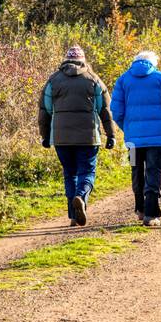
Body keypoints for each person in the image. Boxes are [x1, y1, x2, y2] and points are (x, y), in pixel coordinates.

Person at [38, 45, 115, 227]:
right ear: (83, 60)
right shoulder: (93, 79)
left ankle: (73, 215)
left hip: (61, 138)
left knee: (69, 173)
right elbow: (105, 110)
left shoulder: (53, 80)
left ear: (66, 60)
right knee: (87, 171)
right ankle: (80, 197)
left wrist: (45, 135)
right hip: (88, 137)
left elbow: (45, 111)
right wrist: (111, 135)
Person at [111, 50, 161, 226]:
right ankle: (151, 214)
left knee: (136, 170)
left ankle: (140, 209)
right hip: (156, 139)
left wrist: (127, 128)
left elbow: (117, 111)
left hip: (132, 141)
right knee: (153, 171)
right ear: (153, 63)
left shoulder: (123, 80)